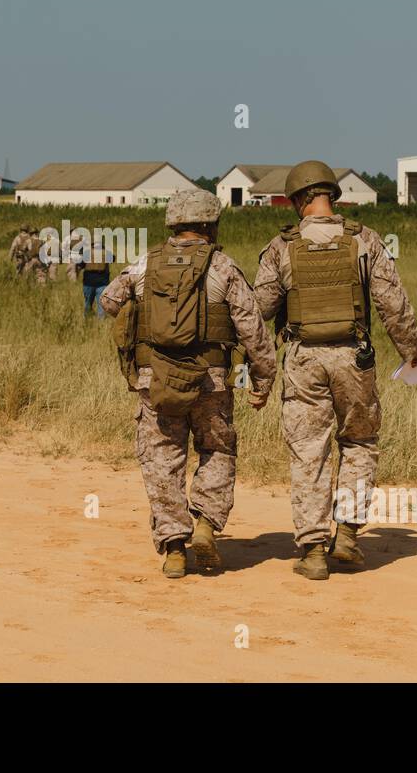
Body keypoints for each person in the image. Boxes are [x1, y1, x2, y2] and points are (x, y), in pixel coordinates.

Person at [254, 161, 417, 582]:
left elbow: (258, 311)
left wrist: (253, 368)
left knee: (309, 451)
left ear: (297, 200)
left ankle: (313, 550)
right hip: (354, 357)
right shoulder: (364, 240)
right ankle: (347, 535)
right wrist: (413, 352)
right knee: (360, 442)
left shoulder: (281, 247)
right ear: (334, 195)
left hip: (303, 359)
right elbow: (392, 303)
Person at [100, 189, 276, 579]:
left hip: (156, 379)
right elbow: (252, 330)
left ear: (173, 225)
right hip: (210, 380)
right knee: (217, 450)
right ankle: (205, 525)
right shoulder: (223, 267)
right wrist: (261, 380)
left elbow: (109, 302)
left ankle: (174, 547)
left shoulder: (145, 264)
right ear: (211, 225)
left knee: (162, 459)